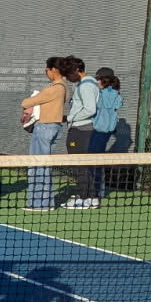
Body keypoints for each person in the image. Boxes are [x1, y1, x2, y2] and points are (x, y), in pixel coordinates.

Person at [19, 57, 74, 212]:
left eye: (47, 69)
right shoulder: (62, 87)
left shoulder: (55, 88)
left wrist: (33, 102)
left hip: (45, 128)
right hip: (50, 127)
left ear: (54, 70)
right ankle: (45, 202)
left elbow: (26, 102)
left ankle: (39, 203)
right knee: (41, 165)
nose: (45, 71)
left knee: (38, 166)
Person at [62, 56, 102, 209]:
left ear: (77, 70)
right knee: (84, 165)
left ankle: (83, 197)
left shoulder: (86, 86)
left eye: (69, 73)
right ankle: (91, 197)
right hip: (84, 130)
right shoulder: (87, 84)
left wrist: (69, 117)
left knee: (79, 165)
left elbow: (90, 109)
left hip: (81, 131)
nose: (67, 77)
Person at [91, 68, 122, 197]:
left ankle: (94, 191)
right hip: (107, 132)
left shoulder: (99, 94)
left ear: (104, 80)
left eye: (98, 79)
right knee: (98, 161)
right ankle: (100, 190)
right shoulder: (117, 95)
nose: (96, 81)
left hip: (97, 130)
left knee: (92, 161)